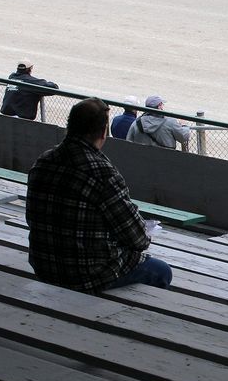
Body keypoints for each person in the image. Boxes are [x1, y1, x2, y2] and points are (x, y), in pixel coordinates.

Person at [26, 97, 172, 293]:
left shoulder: (43, 161)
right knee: (162, 272)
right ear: (103, 132)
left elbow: (32, 218)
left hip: (44, 267)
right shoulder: (102, 173)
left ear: (70, 126)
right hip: (88, 276)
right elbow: (138, 240)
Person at [126, 95, 190, 151]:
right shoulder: (170, 122)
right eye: (162, 104)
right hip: (166, 159)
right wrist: (184, 125)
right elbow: (183, 137)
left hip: (142, 158)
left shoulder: (137, 123)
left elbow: (128, 141)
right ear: (159, 106)